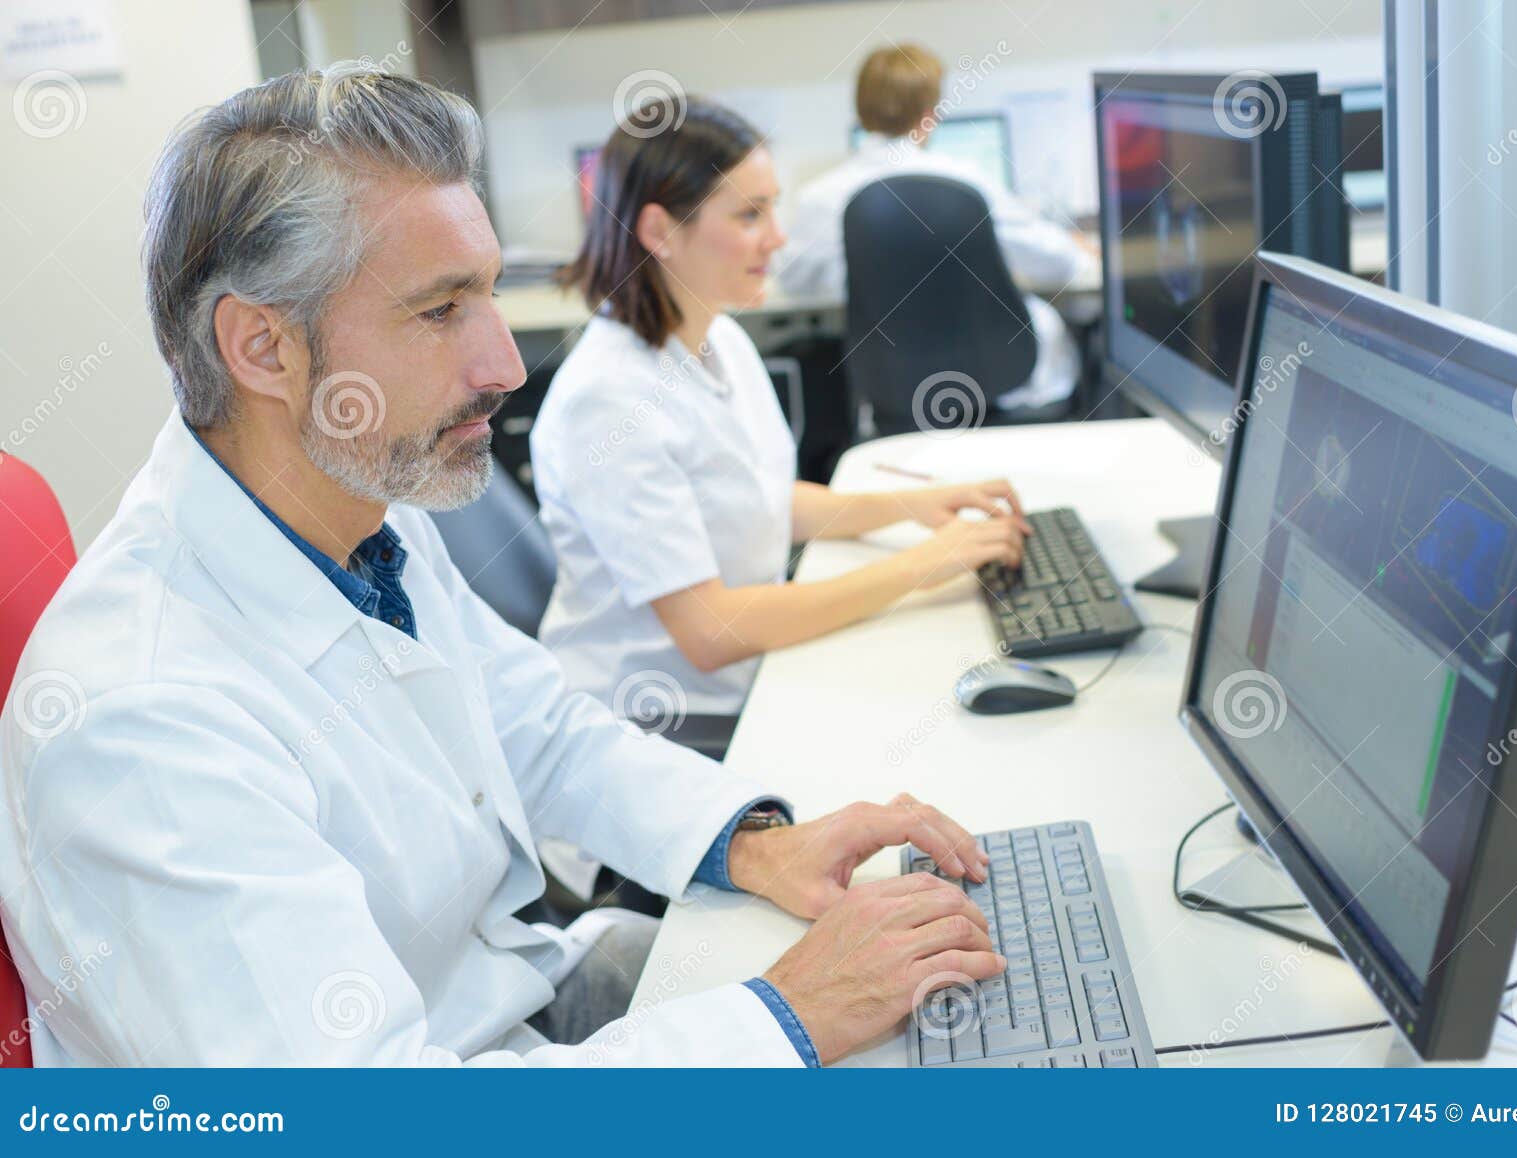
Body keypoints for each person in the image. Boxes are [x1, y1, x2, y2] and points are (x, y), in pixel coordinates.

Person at [0, 65, 1005, 1067]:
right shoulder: (141, 725)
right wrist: (783, 1018)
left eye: (487, 293)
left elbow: (539, 730)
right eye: (440, 312)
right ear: (263, 348)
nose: (505, 366)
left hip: (524, 1014)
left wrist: (747, 844)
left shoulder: (354, 511)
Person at [534, 96, 1028, 734]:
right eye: (749, 214)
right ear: (659, 232)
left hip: (744, 675)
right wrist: (920, 566)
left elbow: (756, 500)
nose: (778, 236)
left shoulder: (718, 337)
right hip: (666, 722)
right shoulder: (607, 402)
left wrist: (915, 506)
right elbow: (711, 632)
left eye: (772, 206)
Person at [779, 42, 1097, 411]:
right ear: (929, 114)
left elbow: (792, 282)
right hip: (1000, 380)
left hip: (890, 386)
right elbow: (1058, 263)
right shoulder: (968, 181)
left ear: (862, 109)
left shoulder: (822, 196)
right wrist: (1075, 247)